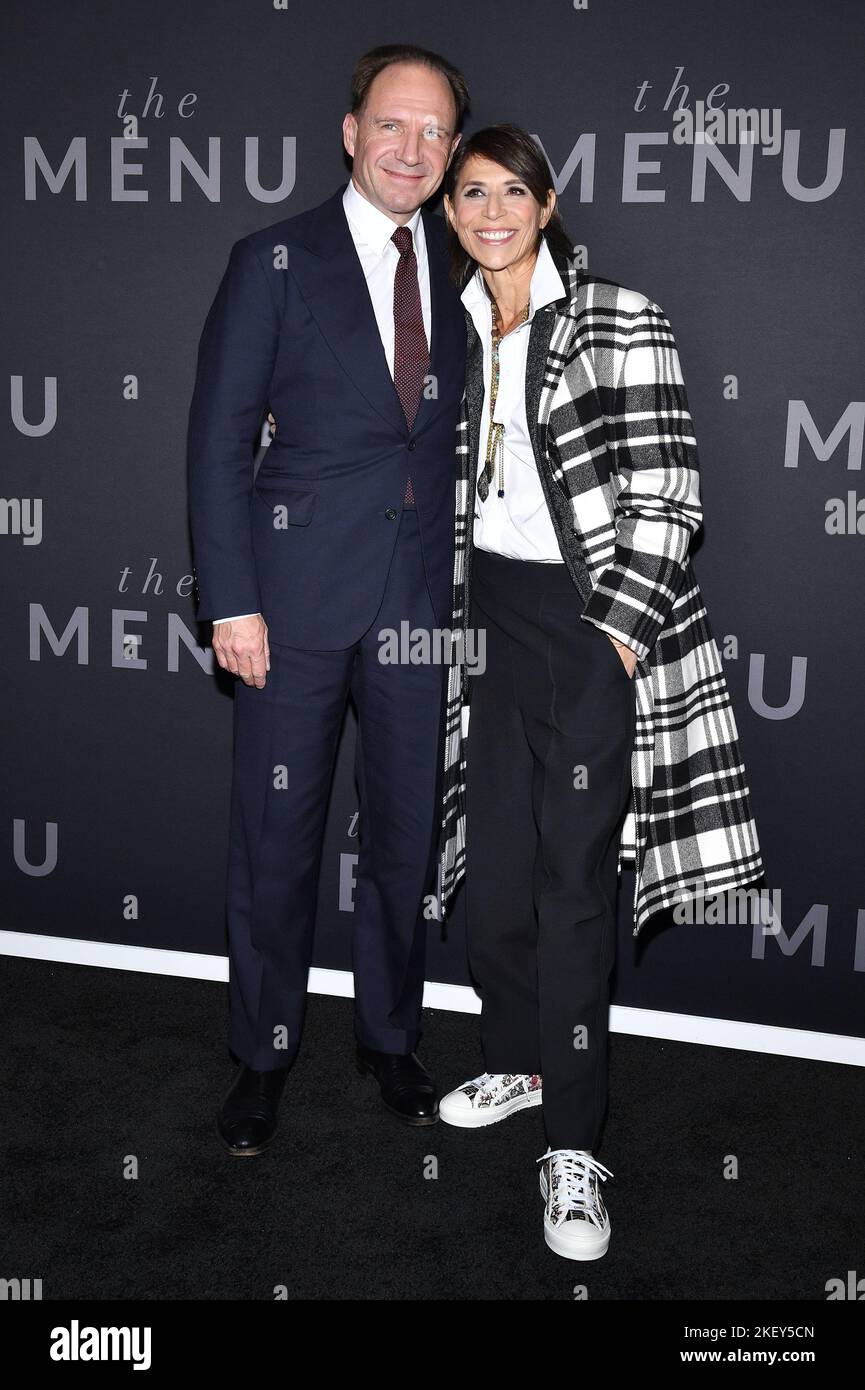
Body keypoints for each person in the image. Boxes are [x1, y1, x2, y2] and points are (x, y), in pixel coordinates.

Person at [436, 125, 764, 1260]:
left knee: (575, 889)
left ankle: (574, 1148)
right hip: (481, 631)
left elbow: (670, 492)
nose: (489, 210)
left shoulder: (620, 316)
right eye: (469, 191)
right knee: (493, 887)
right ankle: (521, 1060)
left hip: (585, 628)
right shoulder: (449, 329)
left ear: (548, 201)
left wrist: (614, 640)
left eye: (510, 191)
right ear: (447, 208)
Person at [187, 45, 469, 1155]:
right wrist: (231, 601)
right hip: (290, 605)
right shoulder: (271, 260)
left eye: (435, 132)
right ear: (351, 131)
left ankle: (389, 1035)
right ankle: (261, 1055)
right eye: (393, 125)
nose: (413, 148)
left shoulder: (461, 268)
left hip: (415, 607)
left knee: (404, 837)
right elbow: (216, 445)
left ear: (451, 152)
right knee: (277, 839)